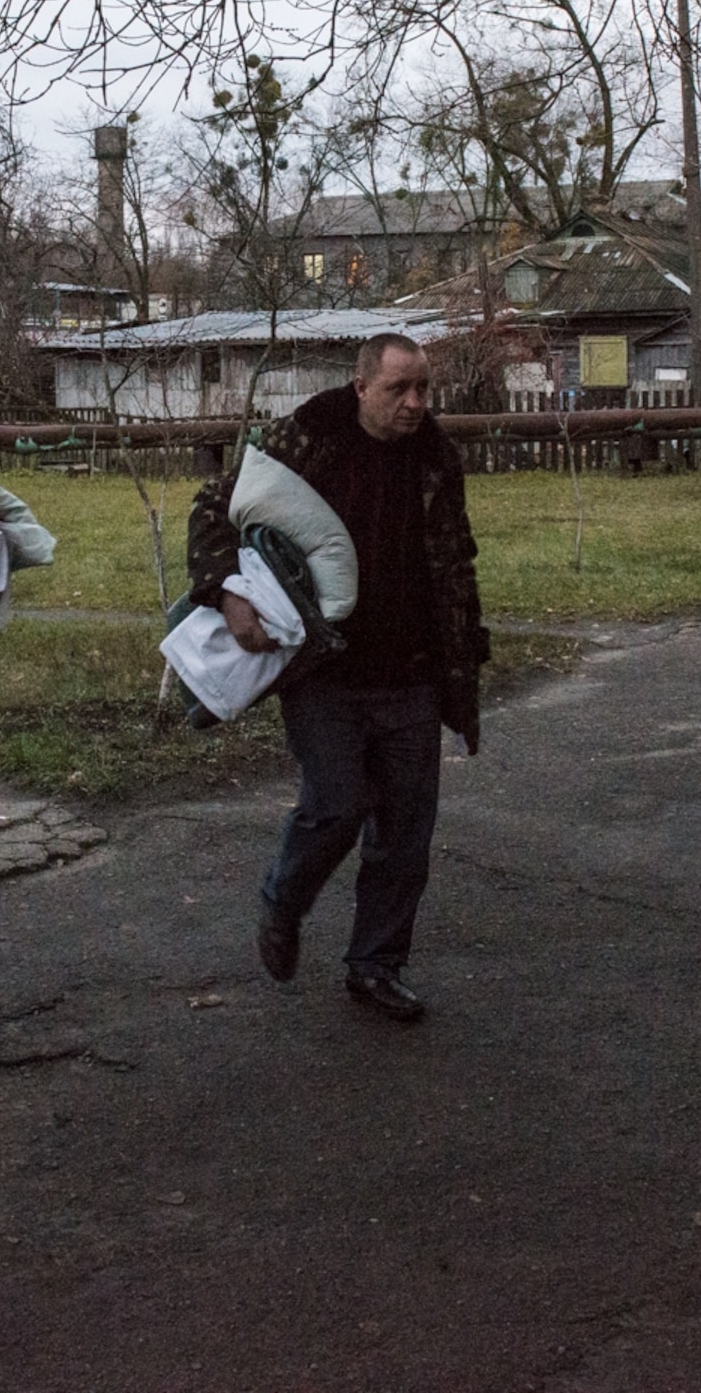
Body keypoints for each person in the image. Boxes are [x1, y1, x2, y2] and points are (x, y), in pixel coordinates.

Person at [186, 332, 489, 1021]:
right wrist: (227, 591)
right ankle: (283, 901)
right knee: (337, 803)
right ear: (361, 387)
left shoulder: (437, 459)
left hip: (411, 671)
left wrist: (460, 666)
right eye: (398, 389)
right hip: (326, 671)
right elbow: (213, 507)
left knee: (406, 831)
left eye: (423, 389)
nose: (414, 403)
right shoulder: (309, 440)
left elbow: (454, 566)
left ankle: (376, 965)